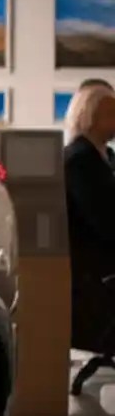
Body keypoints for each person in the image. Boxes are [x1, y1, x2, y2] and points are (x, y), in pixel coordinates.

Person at [61, 83, 115, 354]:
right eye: (112, 114)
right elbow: (106, 222)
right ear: (90, 117)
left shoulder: (105, 156)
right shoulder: (79, 160)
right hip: (97, 273)